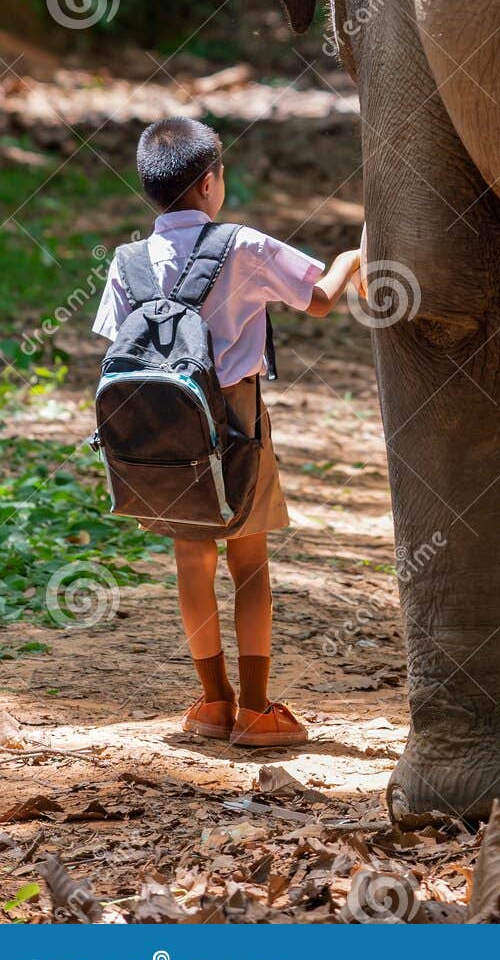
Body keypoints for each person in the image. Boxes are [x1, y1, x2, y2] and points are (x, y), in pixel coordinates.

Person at [93, 118, 361, 749]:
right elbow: (317, 299)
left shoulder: (127, 260)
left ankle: (213, 704)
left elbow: (118, 344)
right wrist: (352, 257)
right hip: (235, 419)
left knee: (192, 560)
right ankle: (259, 712)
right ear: (210, 182)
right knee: (250, 564)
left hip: (161, 433)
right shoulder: (241, 245)